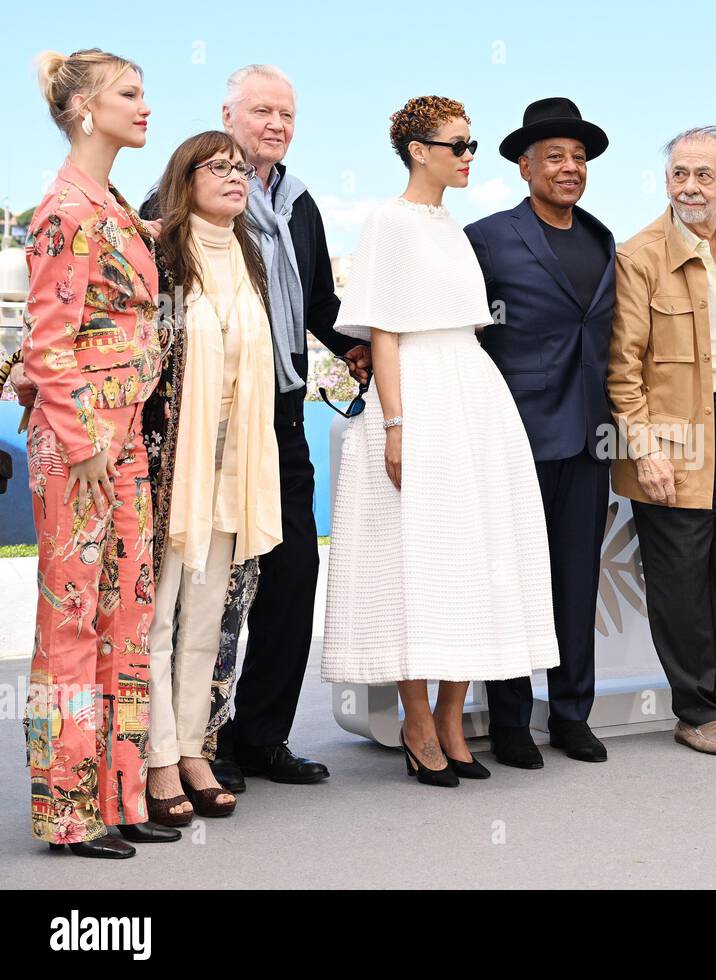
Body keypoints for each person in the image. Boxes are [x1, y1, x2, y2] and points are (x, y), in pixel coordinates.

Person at [141, 65, 370, 790]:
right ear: (228, 113)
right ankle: (190, 742)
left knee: (293, 571)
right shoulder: (173, 200)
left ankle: (260, 734)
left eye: (287, 115)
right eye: (262, 110)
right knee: (202, 583)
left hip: (279, 412)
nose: (276, 124)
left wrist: (372, 354)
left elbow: (321, 304)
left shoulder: (300, 205)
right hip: (198, 418)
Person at [321, 96, 560, 786]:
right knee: (414, 560)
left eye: (471, 145)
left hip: (472, 392)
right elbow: (385, 332)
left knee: (469, 555)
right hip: (419, 393)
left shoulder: (451, 227)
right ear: (419, 150)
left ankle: (454, 722)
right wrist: (396, 425)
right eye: (457, 145)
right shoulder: (387, 222)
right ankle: (416, 720)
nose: (468, 157)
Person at [22, 48, 179, 858]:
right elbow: (46, 341)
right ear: (84, 108)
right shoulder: (63, 209)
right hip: (79, 445)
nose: (145, 106)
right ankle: (69, 810)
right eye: (129, 93)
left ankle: (118, 795)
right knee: (73, 623)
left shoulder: (112, 205)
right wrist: (82, 441)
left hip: (122, 441)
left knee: (126, 614)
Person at [609, 127, 716, 757]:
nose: (690, 186)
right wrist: (646, 448)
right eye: (679, 174)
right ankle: (695, 711)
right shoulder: (640, 255)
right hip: (678, 432)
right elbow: (623, 368)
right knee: (680, 581)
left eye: (703, 175)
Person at [464, 98, 615, 769]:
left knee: (577, 579)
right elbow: (464, 335)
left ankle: (571, 714)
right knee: (513, 580)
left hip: (589, 434)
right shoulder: (487, 237)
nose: (569, 167)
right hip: (514, 433)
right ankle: (509, 721)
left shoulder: (603, 237)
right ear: (525, 166)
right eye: (554, 156)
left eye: (578, 157)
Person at [138, 131, 282, 825]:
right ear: (183, 177)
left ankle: (195, 746)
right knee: (157, 616)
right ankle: (158, 754)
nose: (235, 176)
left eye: (239, 168)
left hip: (235, 463)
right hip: (172, 463)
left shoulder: (249, 255)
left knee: (210, 617)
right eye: (217, 166)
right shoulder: (159, 250)